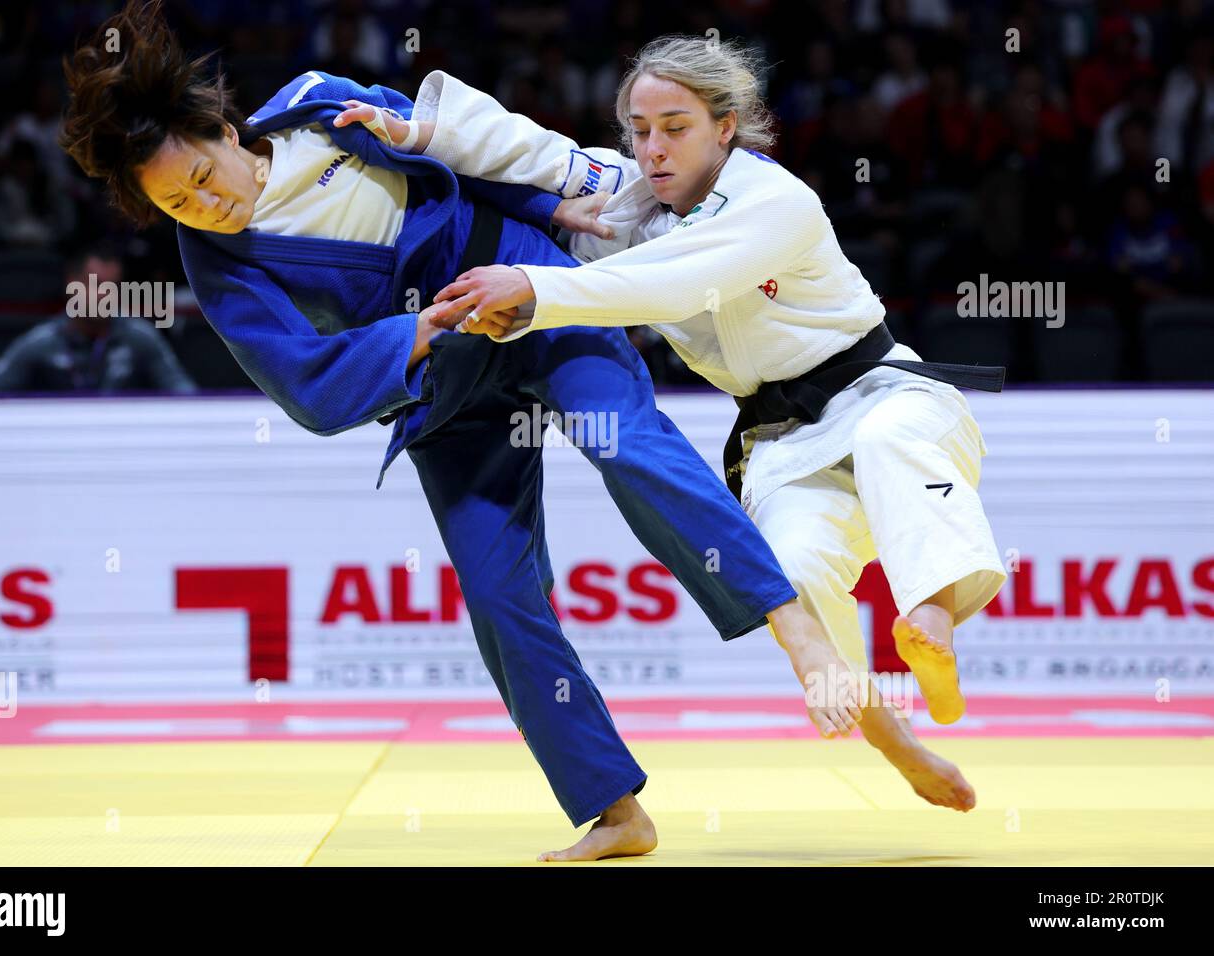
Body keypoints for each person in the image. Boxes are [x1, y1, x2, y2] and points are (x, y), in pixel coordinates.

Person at [59, 2, 863, 861]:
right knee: (497, 591)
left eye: (205, 177)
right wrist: (422, 332)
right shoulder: (217, 262)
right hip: (442, 386)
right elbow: (303, 384)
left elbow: (454, 146)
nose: (207, 206)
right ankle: (614, 808)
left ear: (223, 128)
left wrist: (562, 203)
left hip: (525, 289)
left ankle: (793, 625)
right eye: (177, 205)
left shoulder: (318, 102)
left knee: (623, 441)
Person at [361, 35, 1011, 811]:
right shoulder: (635, 204)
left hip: (884, 393)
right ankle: (896, 740)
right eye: (639, 129)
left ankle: (930, 612)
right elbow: (539, 153)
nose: (653, 148)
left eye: (676, 126)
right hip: (780, 442)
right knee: (791, 575)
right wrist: (418, 131)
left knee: (887, 440)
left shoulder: (777, 200)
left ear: (726, 127)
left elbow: (677, 284)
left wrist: (532, 286)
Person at [0, 246, 197, 396]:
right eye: (96, 285)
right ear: (71, 284)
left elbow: (185, 393)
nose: (105, 295)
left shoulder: (139, 336)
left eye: (113, 286)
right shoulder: (42, 341)